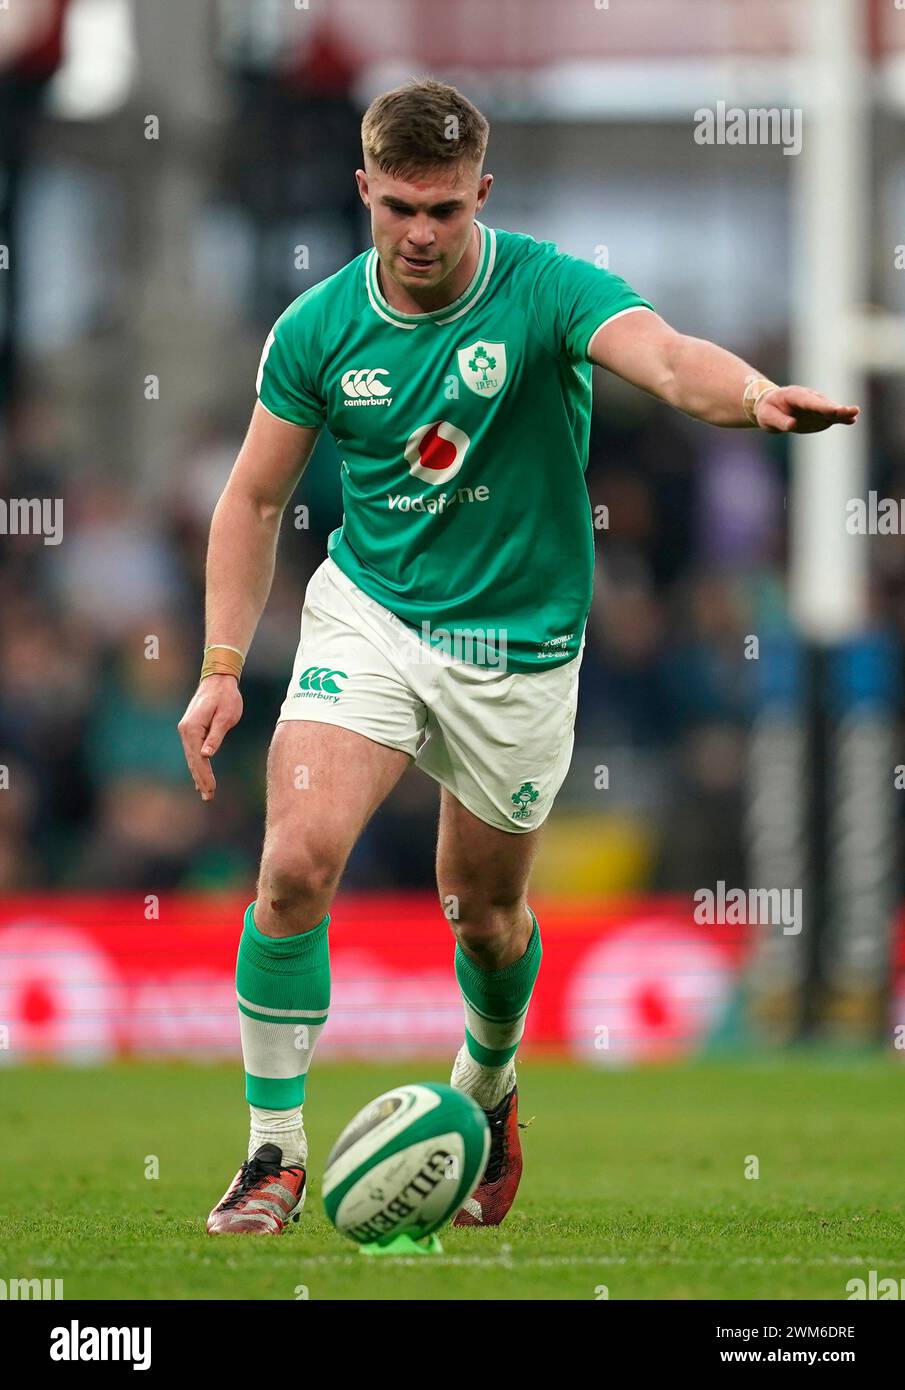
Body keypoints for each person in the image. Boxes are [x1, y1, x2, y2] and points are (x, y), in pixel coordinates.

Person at [177, 77, 858, 1236]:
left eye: (444, 208)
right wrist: (220, 663)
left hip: (518, 651)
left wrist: (749, 396)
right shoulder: (316, 328)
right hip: (371, 617)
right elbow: (250, 498)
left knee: (483, 915)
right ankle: (271, 1155)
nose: (420, 232)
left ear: (481, 193)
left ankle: (487, 1087)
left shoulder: (547, 290)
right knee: (293, 863)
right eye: (399, 207)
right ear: (362, 191)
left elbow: (665, 357)